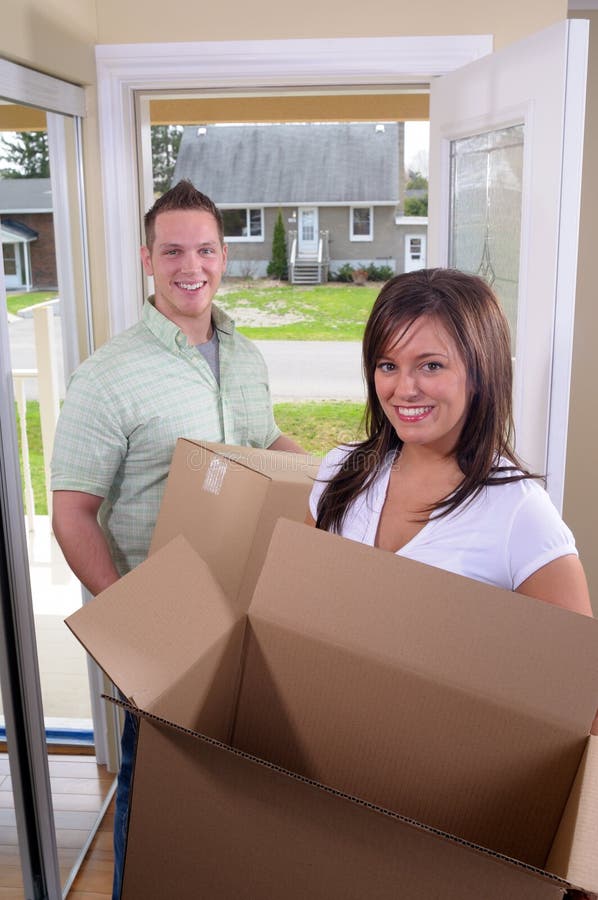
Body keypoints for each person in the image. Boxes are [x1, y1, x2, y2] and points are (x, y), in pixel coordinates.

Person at [51, 179, 303, 899]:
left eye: (205, 250)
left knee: (232, 790)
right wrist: (133, 616)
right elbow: (71, 513)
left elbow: (264, 441)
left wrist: (333, 474)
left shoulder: (245, 356)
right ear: (147, 259)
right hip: (163, 625)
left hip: (249, 610)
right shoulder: (107, 377)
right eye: (172, 251)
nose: (191, 266)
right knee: (153, 790)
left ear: (224, 256)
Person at [306, 267, 592, 617]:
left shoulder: (520, 514)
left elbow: (574, 653)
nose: (405, 390)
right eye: (388, 366)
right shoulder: (341, 471)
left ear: (480, 373)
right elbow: (296, 605)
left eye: (431, 366)